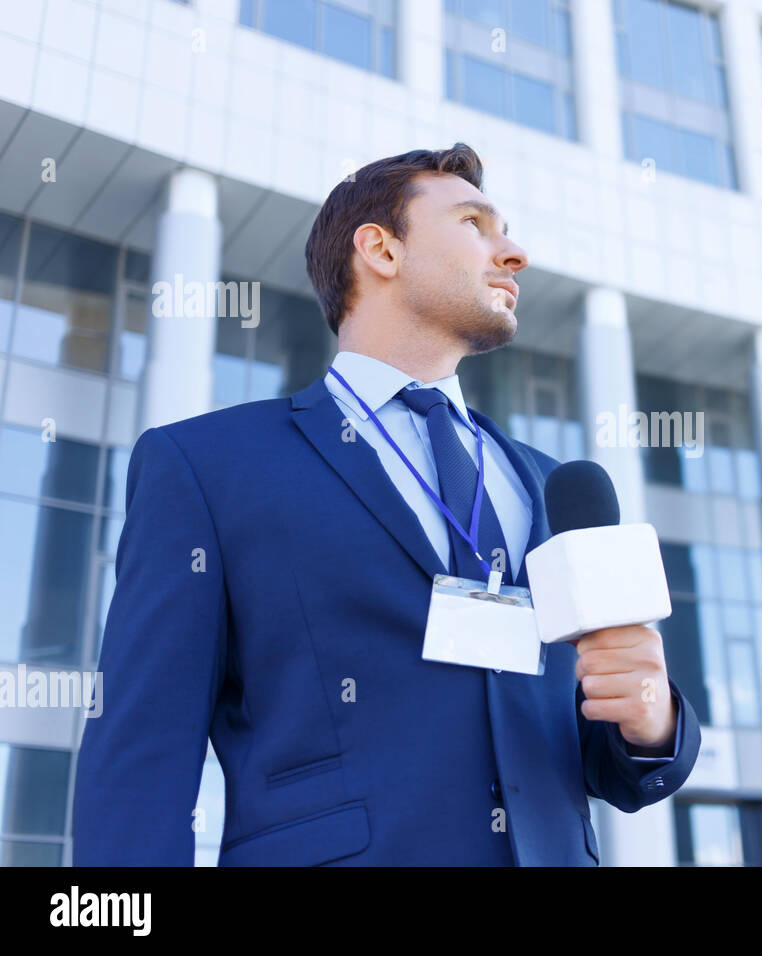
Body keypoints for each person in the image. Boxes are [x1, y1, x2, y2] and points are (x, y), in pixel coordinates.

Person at [72, 144, 700, 866]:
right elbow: (141, 754)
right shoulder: (207, 468)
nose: (515, 252)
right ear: (380, 249)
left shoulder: (552, 483)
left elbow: (606, 766)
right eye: (476, 224)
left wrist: (649, 718)